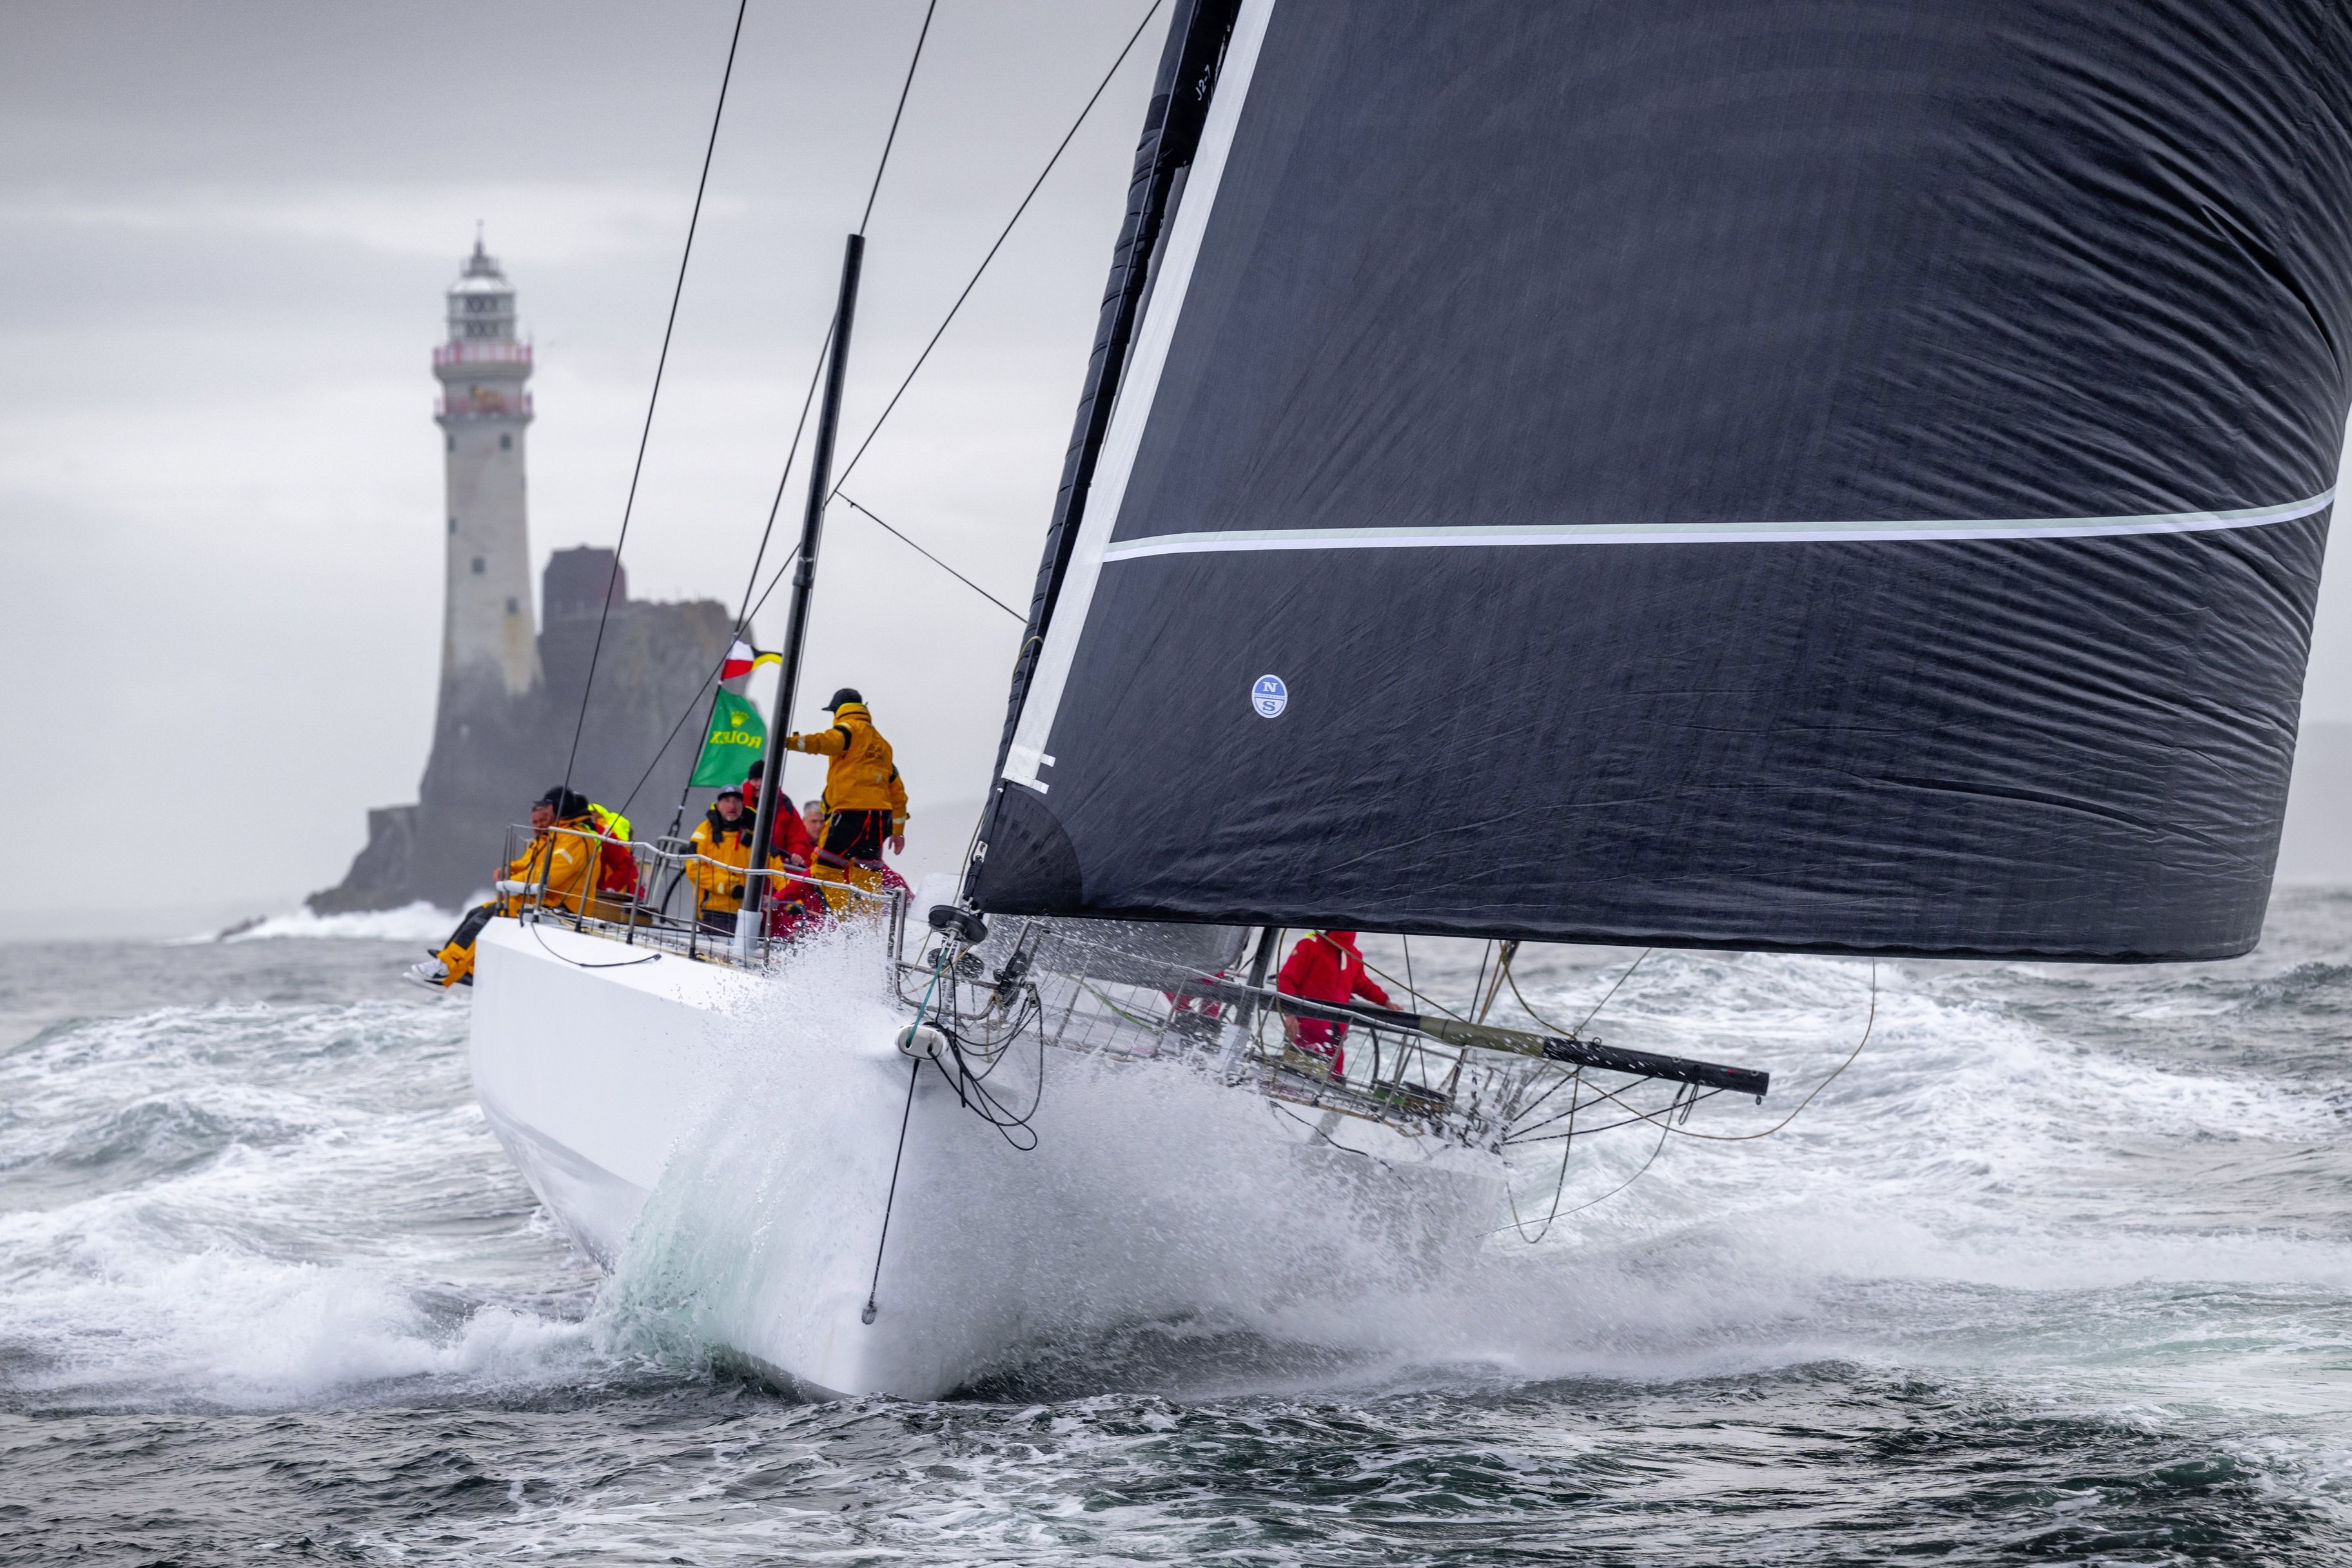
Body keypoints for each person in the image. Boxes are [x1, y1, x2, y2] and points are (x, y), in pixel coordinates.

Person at [408, 789, 603, 989]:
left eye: (548, 808)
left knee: (489, 916)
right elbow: (531, 862)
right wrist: (510, 870)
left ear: (560, 809)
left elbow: (550, 876)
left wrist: (513, 883)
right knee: (477, 912)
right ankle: (457, 965)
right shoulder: (556, 837)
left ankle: (447, 967)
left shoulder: (576, 839)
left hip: (564, 906)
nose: (543, 817)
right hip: (544, 900)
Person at [783, 689, 908, 895]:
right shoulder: (883, 745)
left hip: (849, 812)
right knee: (868, 876)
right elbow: (898, 793)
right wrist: (898, 831)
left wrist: (789, 742)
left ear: (838, 711)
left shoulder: (848, 730)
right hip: (879, 818)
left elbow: (825, 742)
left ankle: (844, 920)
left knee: (825, 870)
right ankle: (868, 923)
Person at [1276, 930, 1391, 1077]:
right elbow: (1287, 979)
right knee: (1297, 1079)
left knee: (1334, 1082)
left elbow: (1362, 984)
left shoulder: (1353, 955)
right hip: (1305, 1031)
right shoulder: (1310, 945)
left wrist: (1385, 1000)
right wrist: (1290, 1015)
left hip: (1335, 1035)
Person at [686, 787, 772, 932]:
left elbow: (774, 866)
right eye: (727, 801)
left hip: (747, 912)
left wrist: (791, 899)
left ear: (743, 805)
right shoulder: (704, 831)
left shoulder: (754, 835)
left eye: (737, 801)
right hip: (711, 911)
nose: (732, 806)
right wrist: (731, 886)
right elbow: (694, 870)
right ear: (718, 805)